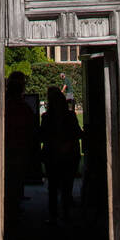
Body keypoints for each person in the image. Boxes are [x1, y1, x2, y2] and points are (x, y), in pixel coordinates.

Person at [40, 86, 83, 222]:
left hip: (52, 155)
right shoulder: (70, 116)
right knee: (66, 187)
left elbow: (41, 136)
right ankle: (65, 214)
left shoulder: (47, 117)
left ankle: (53, 216)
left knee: (53, 187)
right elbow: (78, 134)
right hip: (69, 155)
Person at [4, 71, 37, 220]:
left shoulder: (5, 106)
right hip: (16, 149)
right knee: (14, 181)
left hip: (9, 148)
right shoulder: (23, 108)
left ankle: (10, 209)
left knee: (11, 182)